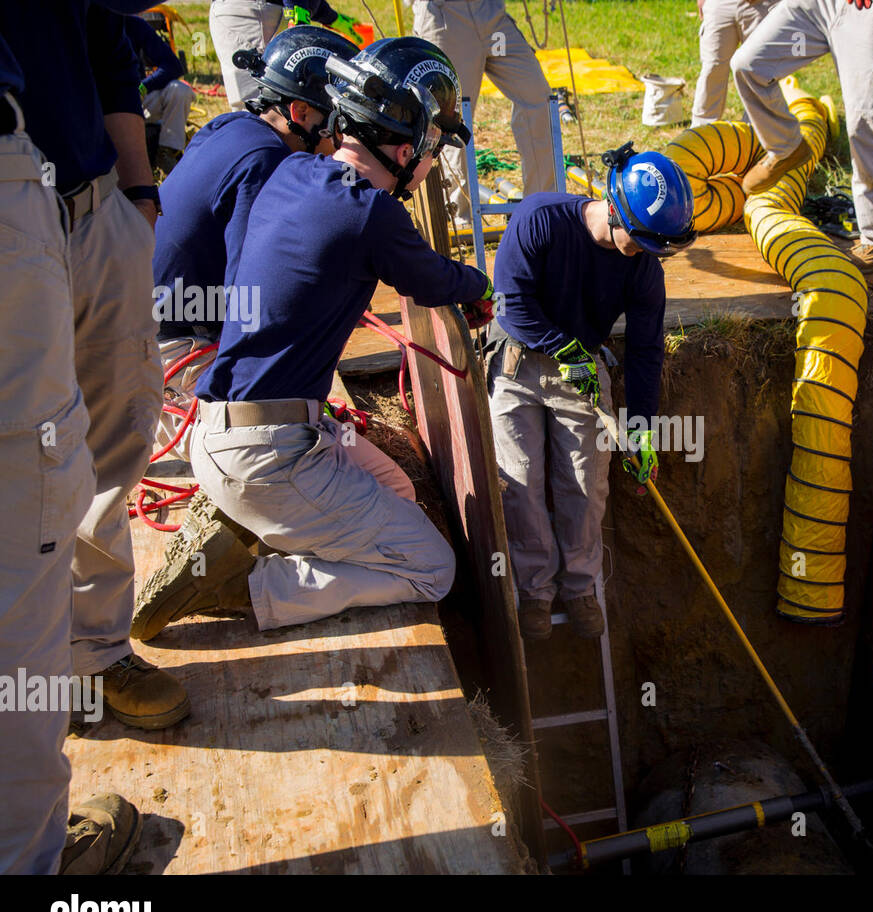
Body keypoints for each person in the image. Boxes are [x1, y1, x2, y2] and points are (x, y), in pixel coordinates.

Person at [131, 38, 495, 642]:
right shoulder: (372, 214)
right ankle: (245, 585)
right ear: (409, 149)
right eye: (434, 148)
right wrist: (480, 283)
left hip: (232, 432)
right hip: (268, 455)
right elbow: (436, 279)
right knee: (434, 568)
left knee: (397, 489)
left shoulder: (291, 169)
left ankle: (241, 530)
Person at [0, 0, 172, 877]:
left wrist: (139, 197)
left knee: (112, 438)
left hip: (94, 200)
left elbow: (110, 46)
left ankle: (94, 654)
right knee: (28, 485)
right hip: (17, 208)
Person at [487, 143, 695, 641]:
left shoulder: (644, 266)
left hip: (580, 372)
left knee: (586, 484)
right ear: (615, 209)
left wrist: (643, 429)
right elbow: (509, 304)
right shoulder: (540, 220)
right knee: (520, 482)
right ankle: (535, 591)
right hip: (518, 362)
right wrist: (566, 350)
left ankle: (580, 588)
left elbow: (646, 350)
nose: (647, 254)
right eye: (642, 241)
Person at [151, 26, 360, 461]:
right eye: (338, 124)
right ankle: (186, 416)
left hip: (153, 310)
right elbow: (249, 296)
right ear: (300, 111)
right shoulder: (268, 164)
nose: (342, 140)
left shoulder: (230, 124)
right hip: (177, 338)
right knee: (294, 445)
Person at [730, 0, 873, 274]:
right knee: (749, 65)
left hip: (868, 10)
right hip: (817, 4)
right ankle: (786, 147)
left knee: (865, 123)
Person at [411, 0, 557, 224]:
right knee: (449, 115)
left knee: (538, 99)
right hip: (444, 15)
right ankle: (460, 217)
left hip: (489, 12)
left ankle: (540, 206)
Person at [209, 0, 363, 110]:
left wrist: (331, 17)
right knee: (257, 102)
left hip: (261, 12)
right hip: (252, 13)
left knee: (264, 104)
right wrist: (297, 11)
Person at [123, 13, 195, 172]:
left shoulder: (134, 24)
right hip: (102, 106)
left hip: (138, 100)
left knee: (180, 90)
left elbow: (173, 65)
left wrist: (144, 86)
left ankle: (166, 151)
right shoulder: (84, 26)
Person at [691, 0, 777, 128]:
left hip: (762, 5)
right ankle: (700, 133)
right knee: (712, 68)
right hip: (720, 4)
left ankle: (755, 134)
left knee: (759, 70)